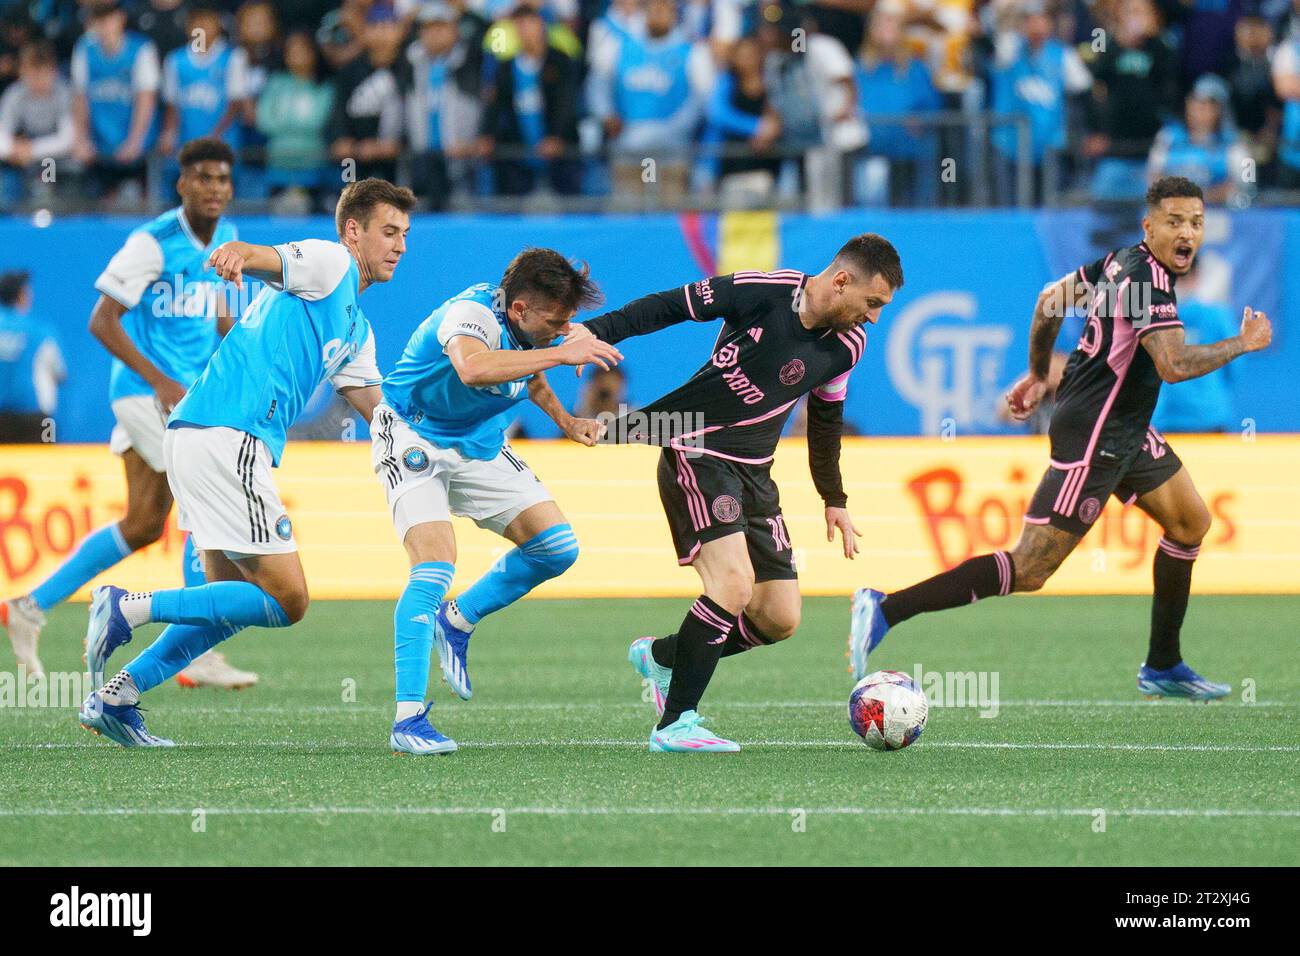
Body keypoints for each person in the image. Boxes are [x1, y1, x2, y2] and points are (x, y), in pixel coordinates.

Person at [850, 177, 1273, 700]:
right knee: (1030, 568)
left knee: (1190, 523)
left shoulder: (1120, 261)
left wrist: (1035, 373)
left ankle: (1163, 665)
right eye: (1175, 221)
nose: (1187, 232)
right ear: (1150, 226)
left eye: (1197, 222)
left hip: (1121, 426)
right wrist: (1243, 342)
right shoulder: (1146, 280)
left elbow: (1050, 301)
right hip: (1097, 434)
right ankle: (885, 607)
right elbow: (1174, 363)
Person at [77, 177, 415, 748]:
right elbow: (271, 260)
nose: (399, 245)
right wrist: (239, 255)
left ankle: (118, 695)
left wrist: (423, 445)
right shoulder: (331, 261)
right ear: (354, 231)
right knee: (290, 600)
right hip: (230, 437)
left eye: (405, 234)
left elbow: (378, 409)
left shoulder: (356, 326)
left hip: (197, 434)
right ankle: (126, 606)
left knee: (227, 605)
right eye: (388, 231)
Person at [574, 234, 904, 752]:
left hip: (755, 474)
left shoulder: (848, 348)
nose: (875, 318)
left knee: (779, 616)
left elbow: (825, 419)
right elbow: (667, 307)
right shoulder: (761, 292)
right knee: (732, 585)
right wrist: (589, 334)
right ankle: (675, 724)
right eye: (873, 303)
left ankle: (662, 657)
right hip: (697, 449)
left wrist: (833, 497)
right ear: (841, 281)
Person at [1, 138, 254, 690]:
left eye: (223, 179)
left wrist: (247, 360)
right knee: (207, 498)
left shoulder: (228, 240)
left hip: (182, 394)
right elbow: (102, 320)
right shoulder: (152, 242)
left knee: (143, 522)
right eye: (203, 177)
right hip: (146, 393)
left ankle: (28, 606)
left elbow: (214, 314)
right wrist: (160, 378)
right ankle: (198, 650)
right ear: (181, 182)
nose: (214, 188)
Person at [375, 248, 620, 753]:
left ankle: (457, 620)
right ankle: (408, 719)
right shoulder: (471, 314)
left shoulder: (533, 331)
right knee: (434, 566)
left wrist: (569, 422)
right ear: (519, 310)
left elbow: (528, 378)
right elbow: (472, 367)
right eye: (555, 321)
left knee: (557, 548)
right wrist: (560, 351)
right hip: (413, 436)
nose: (562, 330)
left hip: (478, 442)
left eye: (568, 322)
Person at [69, 0, 160, 203]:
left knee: (137, 204)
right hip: (100, 146)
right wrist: (81, 138)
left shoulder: (142, 49)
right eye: (99, 19)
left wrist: (135, 141)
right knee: (101, 205)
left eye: (109, 18)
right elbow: (80, 97)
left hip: (137, 148)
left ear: (121, 18)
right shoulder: (85, 49)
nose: (105, 25)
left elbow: (145, 99)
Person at [1147, 75, 1251, 205]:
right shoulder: (1168, 136)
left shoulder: (1236, 143)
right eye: (1197, 102)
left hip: (1219, 214)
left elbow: (1248, 182)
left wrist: (1204, 197)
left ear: (1220, 109)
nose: (1201, 109)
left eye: (1209, 104)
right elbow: (1153, 174)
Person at [0, 270, 63, 444]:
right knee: (43, 468)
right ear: (22, 296)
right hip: (36, 419)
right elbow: (60, 373)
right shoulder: (41, 333)